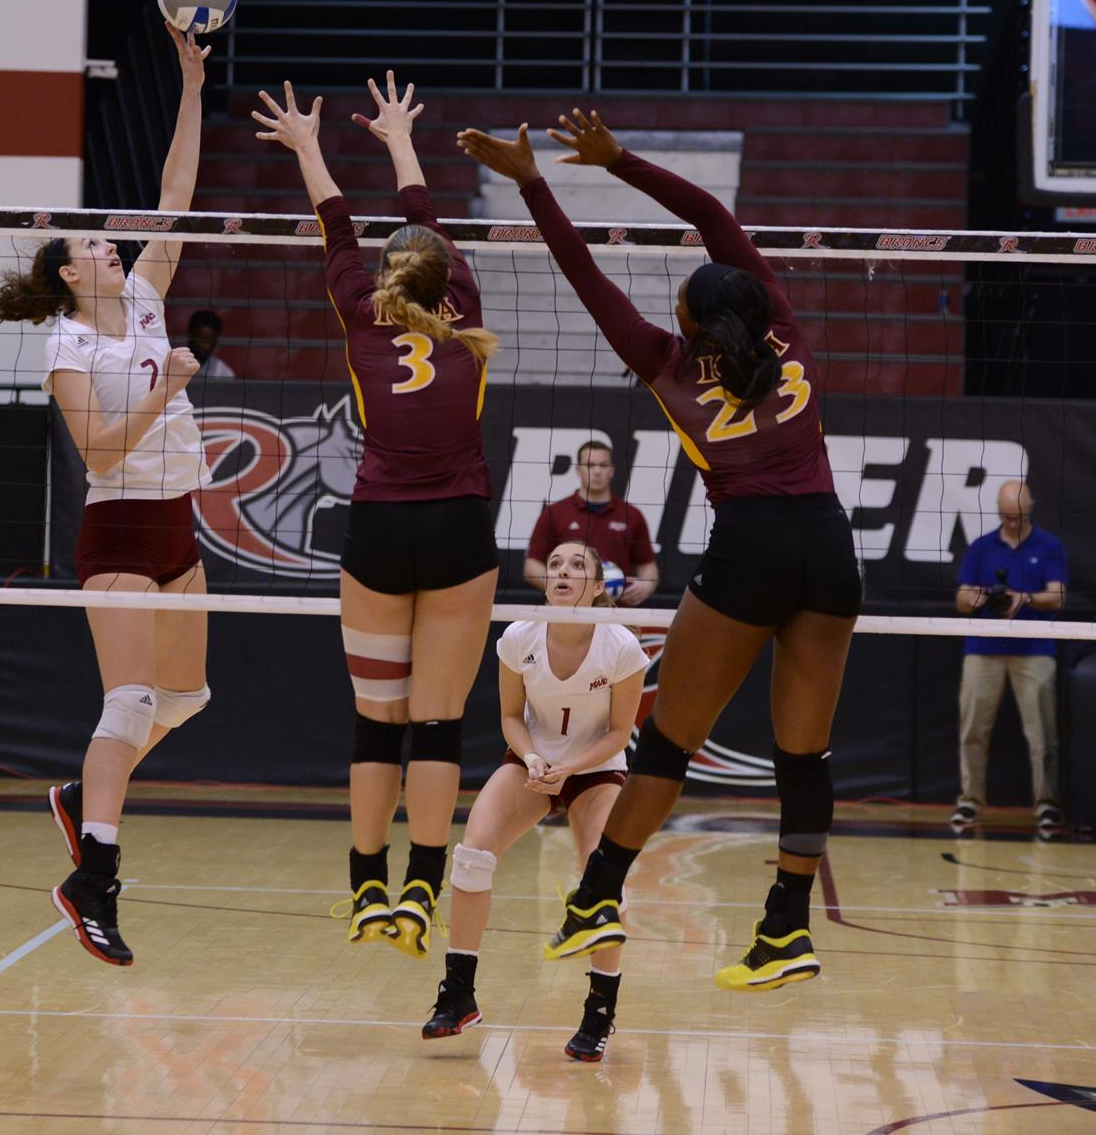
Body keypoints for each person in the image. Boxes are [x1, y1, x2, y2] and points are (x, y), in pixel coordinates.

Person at [458, 108, 859, 993]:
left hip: (751, 545)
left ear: (692, 315)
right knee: (807, 755)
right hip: (830, 545)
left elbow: (581, 272)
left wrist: (537, 181)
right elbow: (715, 218)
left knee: (669, 744)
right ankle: (785, 925)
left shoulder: (665, 361)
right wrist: (620, 159)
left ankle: (597, 894)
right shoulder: (785, 330)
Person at [254, 72, 500, 957]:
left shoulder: (358, 314)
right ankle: (422, 892)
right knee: (439, 721)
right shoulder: (465, 307)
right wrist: (400, 138)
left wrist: (308, 145)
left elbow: (338, 227)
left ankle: (366, 887)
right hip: (461, 529)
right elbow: (422, 220)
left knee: (376, 720)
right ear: (444, 276)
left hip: (380, 532)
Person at [0, 22, 213, 967]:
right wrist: (167, 390)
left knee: (189, 697)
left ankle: (86, 795)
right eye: (91, 243)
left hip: (177, 524)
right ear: (70, 275)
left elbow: (176, 192)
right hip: (118, 529)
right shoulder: (67, 347)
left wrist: (193, 81)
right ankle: (95, 880)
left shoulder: (151, 296)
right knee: (126, 705)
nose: (110, 243)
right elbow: (99, 455)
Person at [423, 540, 646, 1062]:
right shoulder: (517, 637)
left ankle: (599, 1013)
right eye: (554, 565)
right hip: (533, 764)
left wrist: (572, 766)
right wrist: (532, 760)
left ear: (597, 586)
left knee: (600, 876)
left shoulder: (621, 646)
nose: (563, 571)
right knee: (473, 855)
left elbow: (619, 732)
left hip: (596, 770)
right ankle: (458, 996)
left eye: (577, 565)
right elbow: (508, 717)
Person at [951, 479, 1068, 837]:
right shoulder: (982, 547)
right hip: (984, 649)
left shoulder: (1049, 546)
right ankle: (970, 800)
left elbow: (1058, 596)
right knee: (972, 728)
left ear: (1031, 508)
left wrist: (1025, 599)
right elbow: (961, 598)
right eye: (1006, 516)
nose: (1013, 523)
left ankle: (1047, 805)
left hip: (1034, 649)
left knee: (1042, 734)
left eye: (1018, 516)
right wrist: (977, 598)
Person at [523, 439, 659, 606]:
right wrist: (563, 586)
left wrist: (647, 584)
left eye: (603, 465)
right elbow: (531, 567)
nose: (596, 471)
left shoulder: (632, 515)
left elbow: (648, 568)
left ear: (612, 471)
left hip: (616, 610)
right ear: (578, 470)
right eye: (590, 465)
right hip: (566, 609)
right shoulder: (555, 512)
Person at [184, 308, 235, 378]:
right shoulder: (171, 363)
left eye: (212, 342)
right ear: (191, 333)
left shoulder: (223, 373)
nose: (207, 346)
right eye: (203, 340)